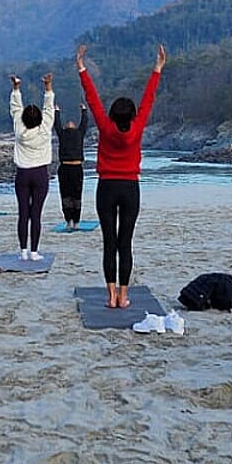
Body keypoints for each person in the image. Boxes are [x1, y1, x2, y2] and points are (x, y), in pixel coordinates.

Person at [77, 43, 166, 309]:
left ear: (114, 115)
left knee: (109, 242)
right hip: (130, 188)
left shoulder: (105, 127)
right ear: (132, 116)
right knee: (125, 242)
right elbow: (149, 98)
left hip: (106, 187)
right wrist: (157, 68)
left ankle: (111, 295)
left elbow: (92, 99)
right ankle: (124, 296)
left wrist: (81, 67)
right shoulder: (137, 128)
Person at [10, 73, 55, 260]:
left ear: (24, 120)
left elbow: (15, 108)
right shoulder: (45, 129)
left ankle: (23, 251)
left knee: (23, 212)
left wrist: (16, 89)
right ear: (38, 119)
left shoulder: (19, 129)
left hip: (22, 174)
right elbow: (49, 109)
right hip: (40, 174)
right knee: (36, 213)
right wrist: (48, 88)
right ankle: (34, 252)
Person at [53, 102, 89, 230]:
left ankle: (76, 221)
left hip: (76, 167)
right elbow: (56, 124)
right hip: (65, 168)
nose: (69, 123)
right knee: (65, 195)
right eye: (68, 122)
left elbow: (84, 123)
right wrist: (56, 111)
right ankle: (68, 220)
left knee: (77, 195)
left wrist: (84, 110)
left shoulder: (79, 133)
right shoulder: (62, 134)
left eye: (72, 122)